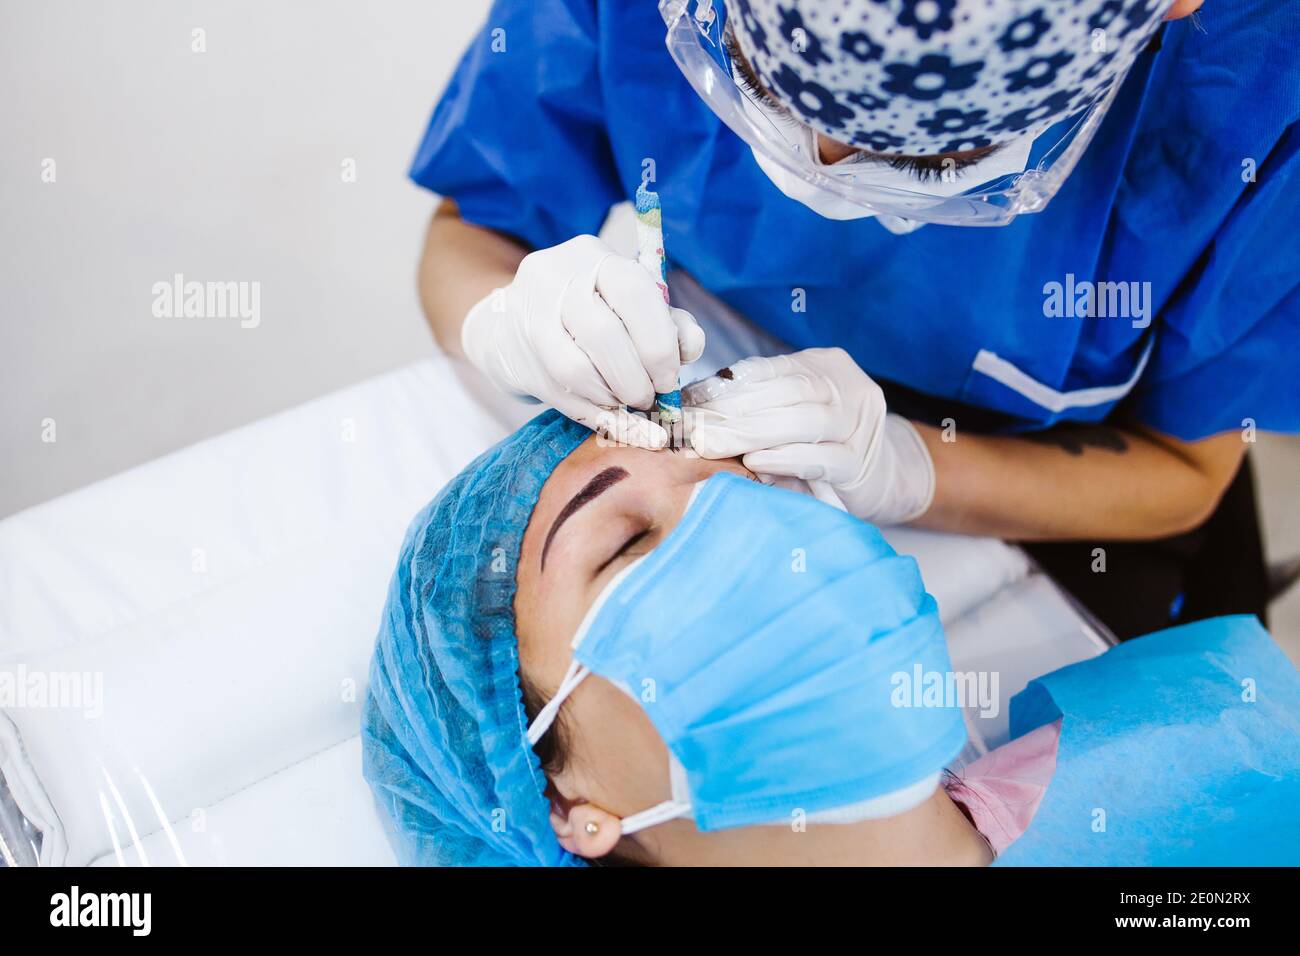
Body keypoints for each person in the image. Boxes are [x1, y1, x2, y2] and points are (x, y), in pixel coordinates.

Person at [408, 0, 1297, 640]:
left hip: (1078, 486)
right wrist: (500, 316)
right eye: (754, 86)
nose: (819, 172)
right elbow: (472, 229)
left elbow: (1189, 469)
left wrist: (911, 468)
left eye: (921, 162)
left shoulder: (1256, 94)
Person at [361, 410, 1300, 866]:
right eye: (627, 543)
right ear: (564, 806)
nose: (748, 523)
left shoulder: (1211, 741)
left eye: (745, 475)